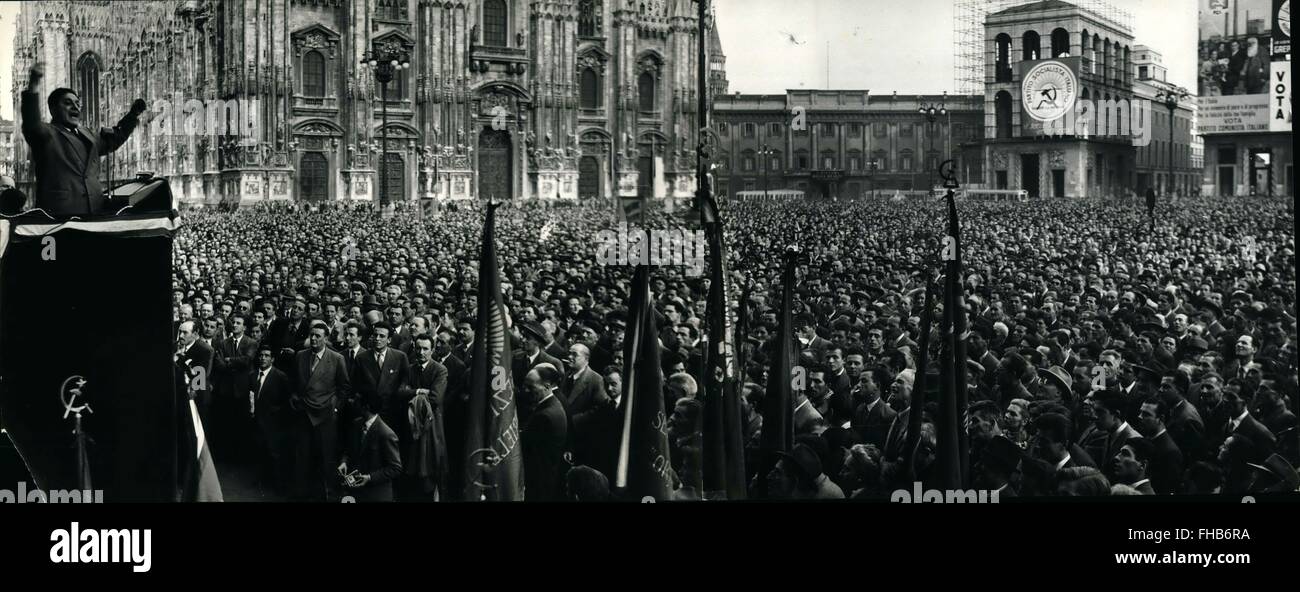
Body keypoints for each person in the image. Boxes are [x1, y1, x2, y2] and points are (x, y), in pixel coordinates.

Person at [20, 62, 144, 217]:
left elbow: (115, 139)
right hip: (60, 216)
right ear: (53, 110)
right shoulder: (47, 133)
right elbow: (31, 123)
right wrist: (34, 85)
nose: (75, 107)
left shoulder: (88, 134)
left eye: (78, 104)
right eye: (67, 103)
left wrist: (133, 115)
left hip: (94, 212)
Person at [291, 322, 351, 501]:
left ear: (326, 338)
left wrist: (334, 407)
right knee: (302, 456)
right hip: (304, 413)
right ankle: (301, 494)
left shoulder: (336, 358)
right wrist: (294, 398)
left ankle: (326, 495)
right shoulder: (301, 356)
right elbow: (294, 382)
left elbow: (344, 387)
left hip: (325, 415)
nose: (314, 339)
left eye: (318, 336)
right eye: (312, 335)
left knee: (325, 456)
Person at [337, 392, 403, 502]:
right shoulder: (356, 424)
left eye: (356, 401)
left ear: (366, 407)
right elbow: (349, 450)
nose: (352, 402)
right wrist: (344, 462)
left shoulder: (386, 434)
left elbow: (395, 468)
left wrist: (369, 478)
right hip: (356, 491)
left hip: (376, 494)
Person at [520, 364, 569, 502]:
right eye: (525, 385)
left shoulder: (545, 415)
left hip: (538, 481)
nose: (526, 390)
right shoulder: (553, 404)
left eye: (531, 387)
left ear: (547, 387)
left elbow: (527, 447)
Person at [249, 344, 291, 496]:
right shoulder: (253, 375)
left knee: (274, 453)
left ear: (272, 359)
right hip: (257, 420)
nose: (263, 358)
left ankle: (277, 484)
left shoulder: (280, 376)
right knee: (258, 450)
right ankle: (259, 479)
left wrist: (277, 413)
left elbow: (286, 402)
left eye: (267, 355)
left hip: (274, 422)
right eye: (261, 355)